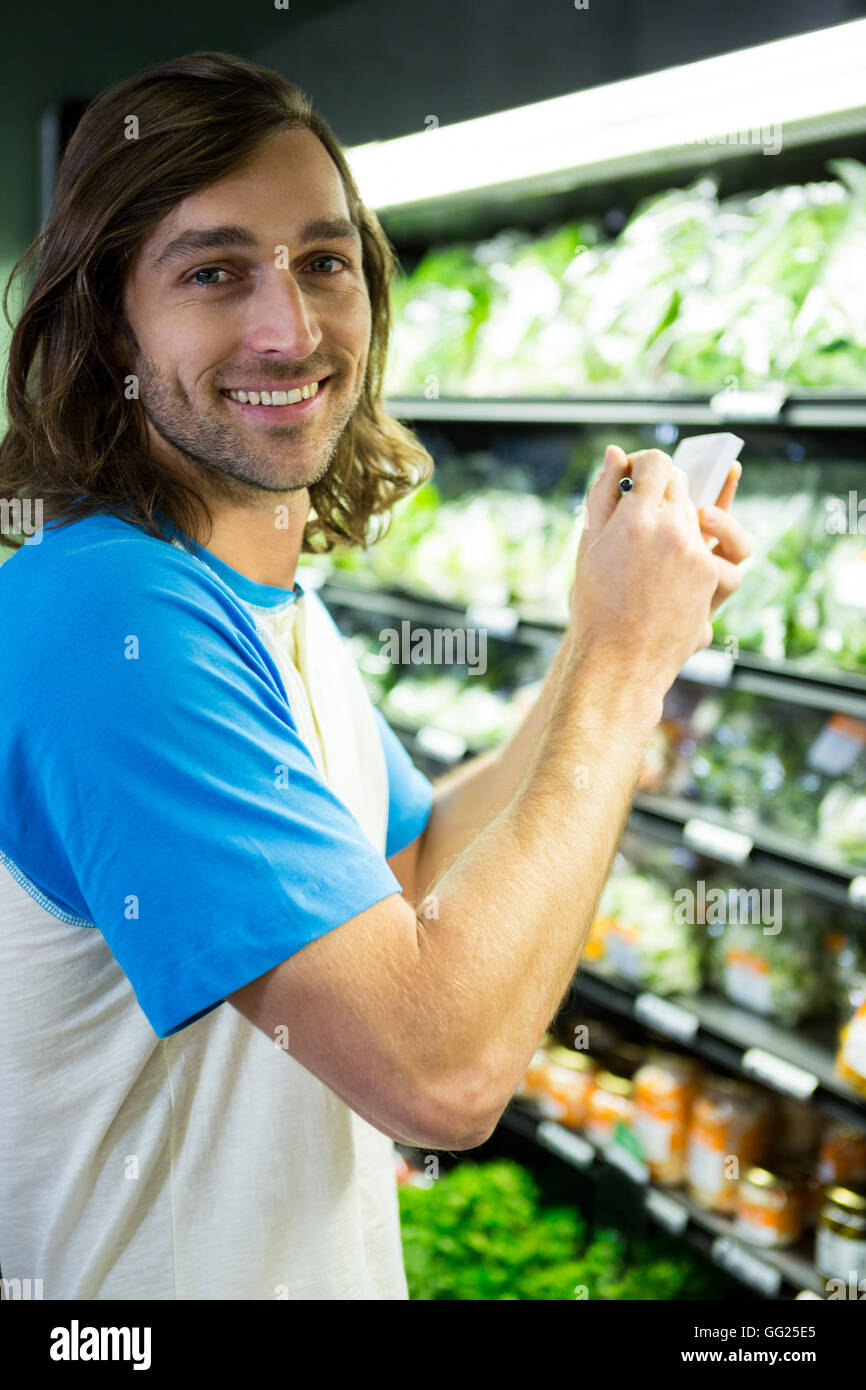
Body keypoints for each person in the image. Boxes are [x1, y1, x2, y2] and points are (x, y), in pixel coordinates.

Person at [0, 51, 751, 1300]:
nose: (289, 327)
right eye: (213, 271)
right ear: (107, 318)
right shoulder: (105, 621)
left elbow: (410, 868)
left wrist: (611, 638)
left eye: (323, 260)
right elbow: (441, 1073)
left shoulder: (259, 598)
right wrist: (618, 671)